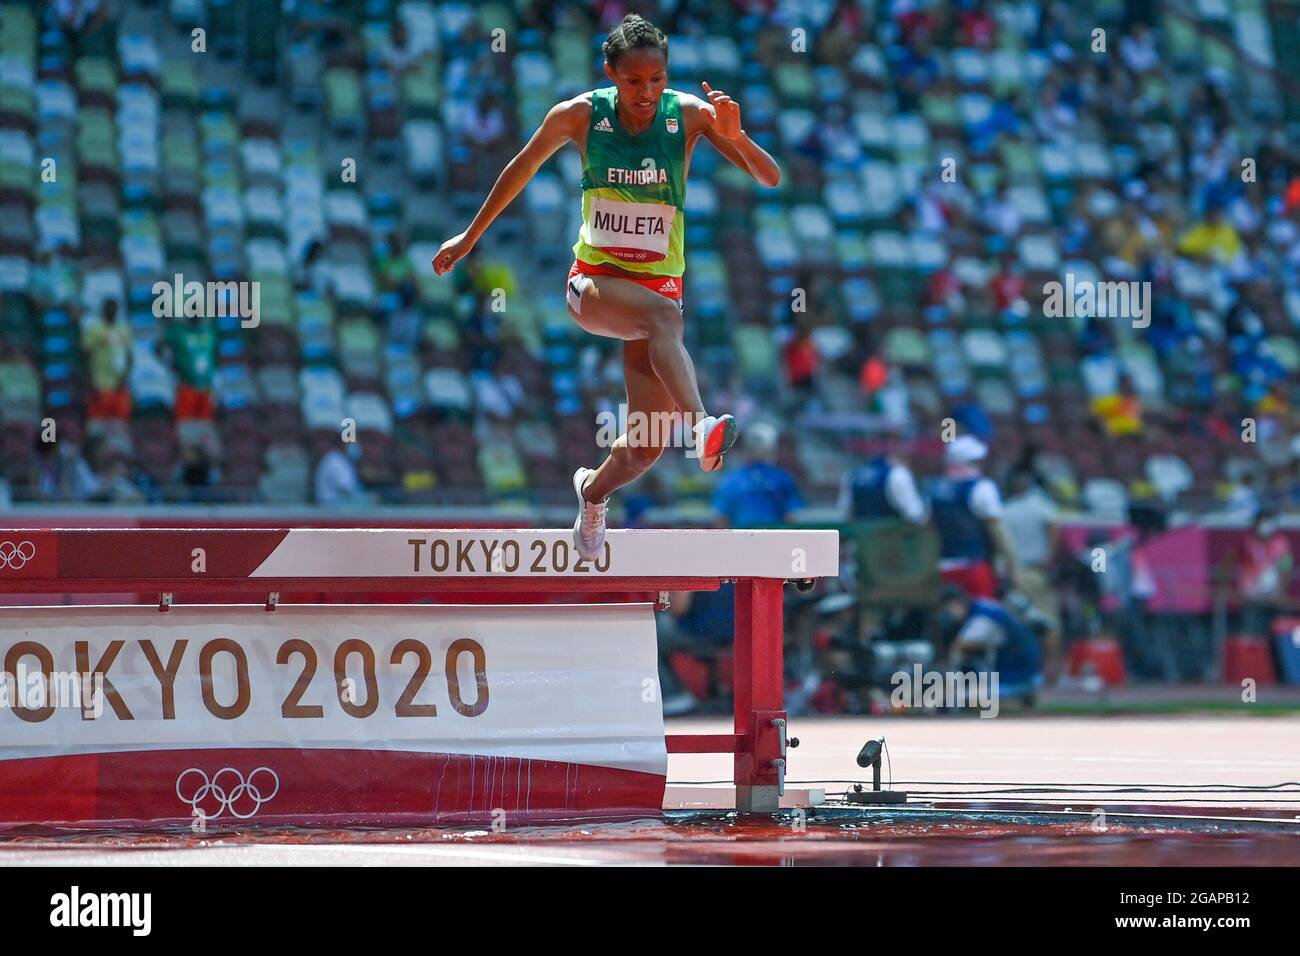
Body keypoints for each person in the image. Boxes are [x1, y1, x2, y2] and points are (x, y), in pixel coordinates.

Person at [432, 13, 781, 559]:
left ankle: (592, 494)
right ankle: (703, 425)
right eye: (634, 81)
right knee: (666, 321)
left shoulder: (689, 115)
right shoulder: (578, 116)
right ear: (610, 73)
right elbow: (519, 170)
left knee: (644, 449)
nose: (646, 93)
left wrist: (737, 138)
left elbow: (769, 176)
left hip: (657, 292)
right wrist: (470, 236)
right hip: (594, 284)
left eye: (657, 80)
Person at [927, 435, 1019, 598]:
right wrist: (1012, 568)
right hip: (974, 567)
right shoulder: (982, 487)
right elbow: (999, 532)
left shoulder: (935, 488)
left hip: (942, 567)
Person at [711, 423, 803, 528]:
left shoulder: (732, 479)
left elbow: (720, 518)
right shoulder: (732, 480)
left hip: (749, 540)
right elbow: (792, 517)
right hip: (768, 540)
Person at [839, 448, 927, 524]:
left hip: (861, 538)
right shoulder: (898, 473)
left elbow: (845, 513)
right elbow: (916, 514)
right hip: (889, 538)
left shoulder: (852, 474)